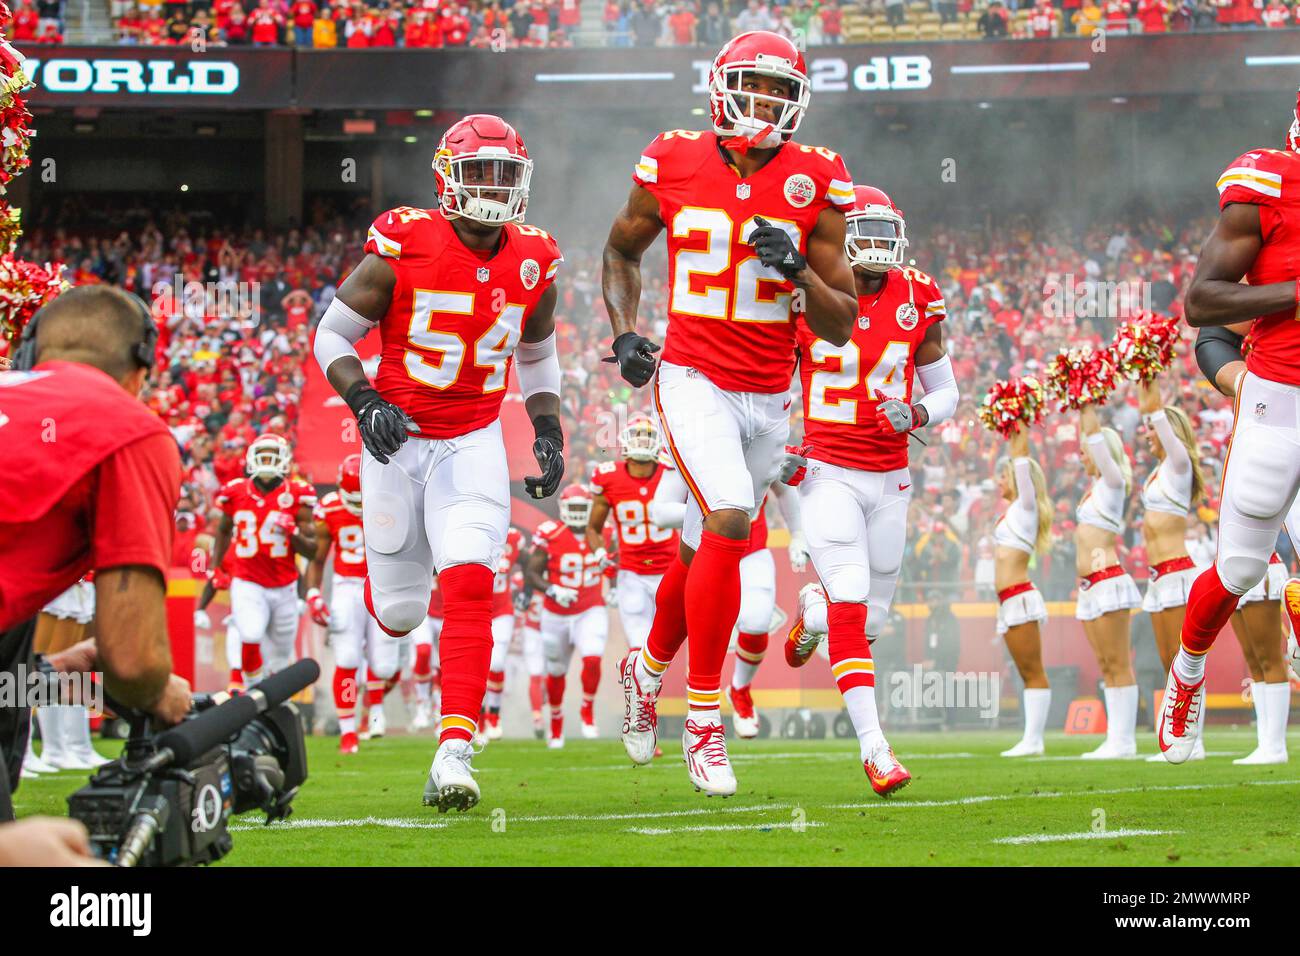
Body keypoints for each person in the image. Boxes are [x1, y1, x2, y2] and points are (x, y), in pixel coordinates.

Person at [603, 30, 857, 797]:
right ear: (721, 87)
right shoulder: (674, 157)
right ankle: (704, 722)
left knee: (699, 548)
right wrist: (625, 337)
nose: (769, 103)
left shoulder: (819, 177)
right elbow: (620, 251)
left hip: (770, 391)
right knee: (731, 519)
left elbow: (841, 321)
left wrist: (800, 269)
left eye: (783, 91)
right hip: (692, 375)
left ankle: (645, 673)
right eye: (756, 86)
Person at [313, 114, 565, 811]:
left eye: (504, 174)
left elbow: (538, 353)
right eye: (478, 171)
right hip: (395, 440)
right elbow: (332, 334)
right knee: (396, 614)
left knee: (471, 583)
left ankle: (455, 748)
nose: (491, 186)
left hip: (473, 440)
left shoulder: (535, 257)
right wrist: (364, 401)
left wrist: (547, 429)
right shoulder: (405, 239)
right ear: (448, 177)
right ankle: (396, 595)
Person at [779, 184, 958, 794]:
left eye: (887, 233)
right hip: (829, 469)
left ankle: (814, 613)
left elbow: (947, 390)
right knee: (853, 594)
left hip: (892, 476)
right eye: (867, 232)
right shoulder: (805, 295)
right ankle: (876, 750)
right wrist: (781, 445)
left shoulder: (918, 293)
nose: (878, 246)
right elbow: (775, 377)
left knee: (871, 617)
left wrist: (920, 414)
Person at [0, 285, 191, 827]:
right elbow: (132, 662)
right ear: (140, 370)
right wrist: (158, 687)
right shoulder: (125, 428)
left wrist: (61, 669)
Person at [1160, 90, 1300, 763]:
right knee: (1241, 565)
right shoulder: (1266, 185)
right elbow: (1201, 302)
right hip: (1278, 399)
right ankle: (1187, 672)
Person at [1194, 321, 1296, 764]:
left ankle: (1274, 744)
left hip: (1268, 558)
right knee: (1255, 657)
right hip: (1245, 556)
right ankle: (1267, 742)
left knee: (1268, 655)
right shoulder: (1253, 427)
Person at [1135, 375, 1207, 761]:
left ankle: (1195, 742)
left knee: (1185, 659)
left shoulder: (1179, 465)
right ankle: (1177, 739)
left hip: (1178, 572)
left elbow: (1158, 417)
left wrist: (1150, 398)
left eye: (1153, 431)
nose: (1148, 435)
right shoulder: (1158, 470)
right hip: (1158, 577)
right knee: (1168, 661)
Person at [304, 454, 395, 755]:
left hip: (381, 584)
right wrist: (314, 593)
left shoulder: (389, 499)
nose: (357, 506)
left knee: (385, 663)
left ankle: (375, 711)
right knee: (347, 657)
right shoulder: (330, 507)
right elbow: (317, 559)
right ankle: (348, 733)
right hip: (346, 586)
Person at [209, 434, 317, 682]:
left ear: (284, 460)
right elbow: (224, 529)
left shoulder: (298, 494)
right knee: (250, 634)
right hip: (247, 580)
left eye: (273, 456)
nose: (267, 461)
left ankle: (271, 703)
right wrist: (216, 567)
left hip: (285, 584)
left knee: (280, 656)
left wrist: (293, 532)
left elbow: (311, 550)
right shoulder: (235, 492)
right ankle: (254, 693)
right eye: (263, 456)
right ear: (251, 459)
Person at [1074, 401, 1143, 758]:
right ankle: (1116, 738)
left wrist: (1084, 400)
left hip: (1108, 580)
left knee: (1118, 663)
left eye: (1085, 452)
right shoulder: (1094, 489)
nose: (1082, 456)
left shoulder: (1113, 483)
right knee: (1104, 664)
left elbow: (1095, 438)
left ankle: (1124, 740)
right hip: (1089, 587)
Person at [587, 415, 679, 655]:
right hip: (632, 573)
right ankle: (641, 690)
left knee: (666, 648)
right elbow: (593, 528)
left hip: (671, 570)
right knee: (638, 647)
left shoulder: (672, 473)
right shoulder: (608, 477)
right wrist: (599, 553)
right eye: (636, 436)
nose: (641, 441)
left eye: (647, 436)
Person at [525, 485, 609, 747]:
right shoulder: (550, 534)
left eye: (580, 508)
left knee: (593, 658)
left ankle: (587, 711)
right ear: (562, 508)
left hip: (590, 607)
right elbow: (532, 573)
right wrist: (552, 589)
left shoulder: (603, 532)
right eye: (571, 508)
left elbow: (617, 561)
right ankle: (556, 724)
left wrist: (616, 587)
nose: (575, 513)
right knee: (556, 671)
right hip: (556, 614)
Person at [992, 425, 1054, 756]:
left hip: (1019, 598)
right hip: (1009, 600)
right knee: (1024, 671)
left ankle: (1034, 740)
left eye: (1004, 477)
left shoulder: (1026, 507)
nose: (998, 482)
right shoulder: (1015, 511)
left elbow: (1022, 461)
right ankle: (1031, 738)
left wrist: (1017, 427)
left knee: (1032, 671)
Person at [481, 526, 526, 741]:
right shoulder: (469, 531)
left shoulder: (514, 538)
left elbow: (530, 564)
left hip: (501, 610)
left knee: (497, 663)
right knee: (476, 665)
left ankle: (494, 716)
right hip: (475, 608)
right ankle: (478, 721)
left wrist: (526, 591)